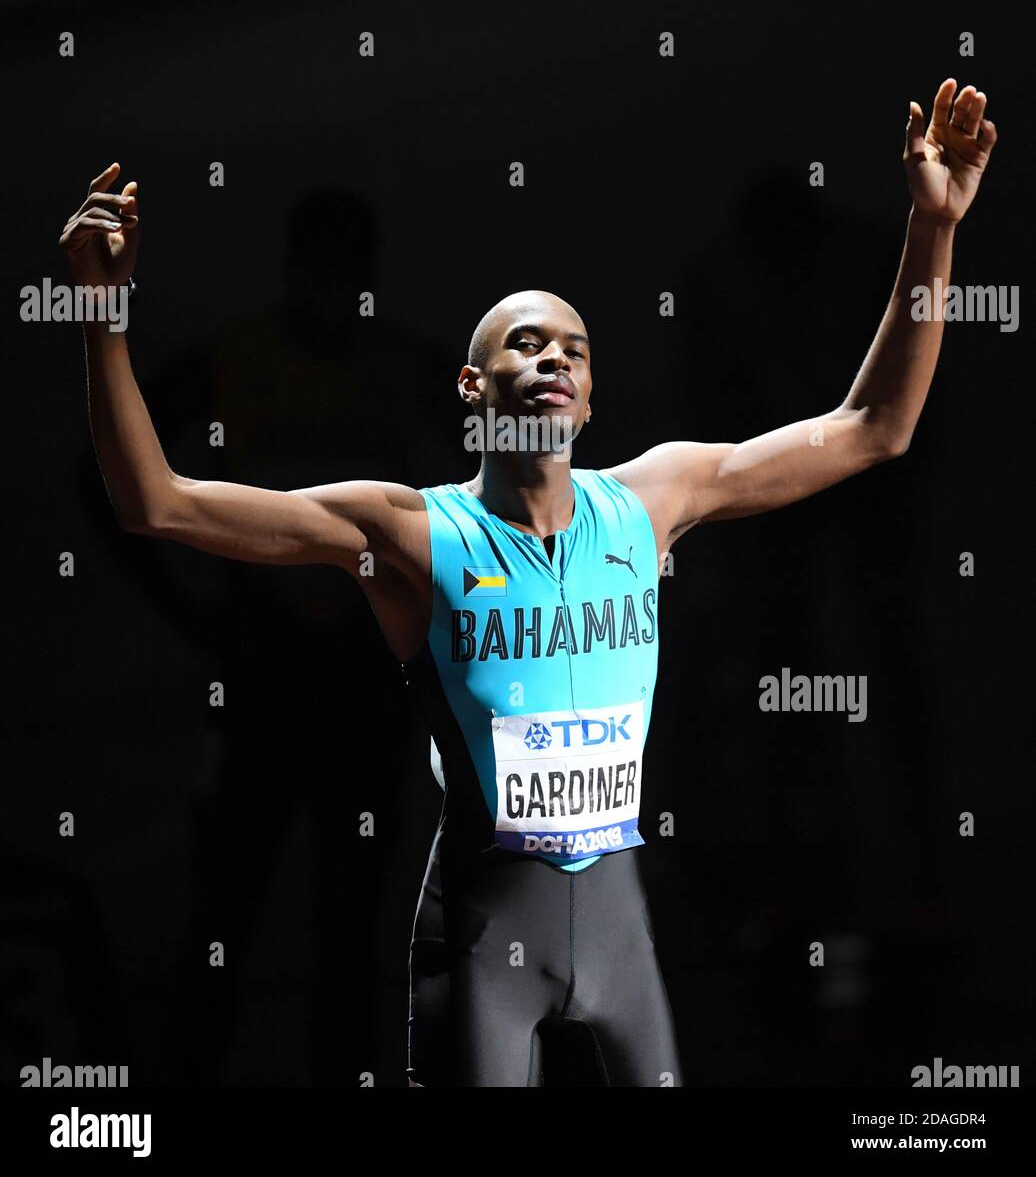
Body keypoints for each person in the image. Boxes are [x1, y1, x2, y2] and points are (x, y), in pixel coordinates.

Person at [60, 78, 997, 1086]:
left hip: (626, 944)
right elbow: (157, 501)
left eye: (575, 348)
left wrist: (931, 226)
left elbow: (875, 429)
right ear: (471, 386)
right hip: (479, 944)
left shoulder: (652, 498)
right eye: (525, 340)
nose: (553, 353)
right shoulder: (410, 530)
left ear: (590, 396)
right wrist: (99, 316)